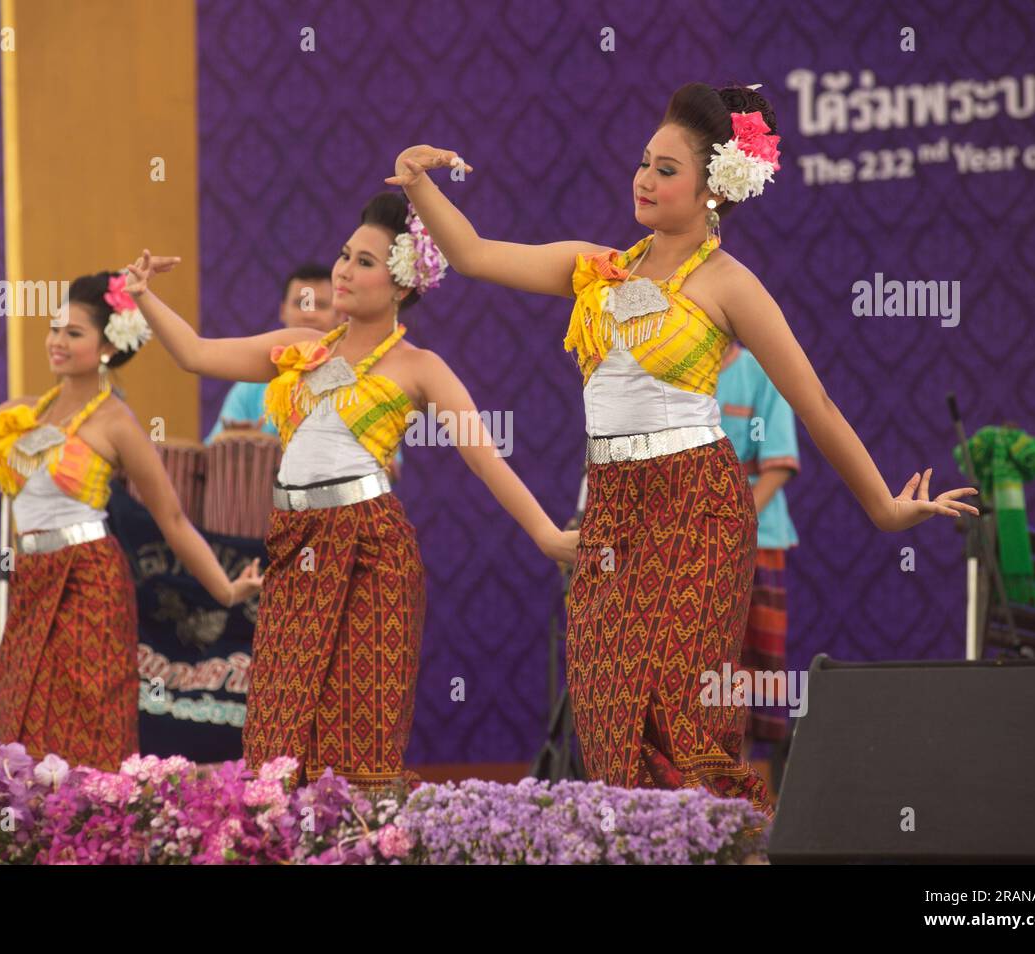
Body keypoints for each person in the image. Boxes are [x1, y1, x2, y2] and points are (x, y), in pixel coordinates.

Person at [387, 82, 978, 816]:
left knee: (683, 717)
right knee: (607, 715)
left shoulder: (730, 284)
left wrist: (886, 509)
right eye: (643, 162)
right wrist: (418, 183)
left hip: (695, 506)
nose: (644, 178)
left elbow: (814, 402)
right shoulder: (594, 268)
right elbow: (473, 255)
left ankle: (717, 847)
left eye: (667, 170)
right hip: (609, 509)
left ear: (712, 191)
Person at [123, 191, 578, 790]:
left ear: (401, 285)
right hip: (294, 546)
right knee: (278, 735)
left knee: (355, 732)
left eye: (365, 262)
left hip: (370, 550)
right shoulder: (299, 350)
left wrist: (547, 535)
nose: (343, 270)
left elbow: (485, 460)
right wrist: (144, 296)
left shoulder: (419, 367)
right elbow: (196, 354)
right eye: (345, 254)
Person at [0, 271, 262, 771]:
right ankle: (30, 836)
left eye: (74, 333)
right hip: (31, 577)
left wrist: (225, 591)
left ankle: (88, 835)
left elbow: (172, 519)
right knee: (21, 712)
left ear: (108, 347)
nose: (57, 341)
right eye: (54, 328)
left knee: (87, 717)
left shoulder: (115, 423)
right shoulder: (23, 411)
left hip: (90, 578)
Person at [715, 340, 799, 762]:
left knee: (743, 678)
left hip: (753, 543)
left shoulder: (763, 368)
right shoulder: (666, 365)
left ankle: (735, 802)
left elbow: (779, 464)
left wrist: (731, 526)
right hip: (679, 541)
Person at [205, 264, 338, 442]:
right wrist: (233, 439)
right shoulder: (250, 386)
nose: (309, 315)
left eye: (320, 305)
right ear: (282, 311)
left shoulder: (357, 378)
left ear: (341, 315)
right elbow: (212, 449)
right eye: (300, 304)